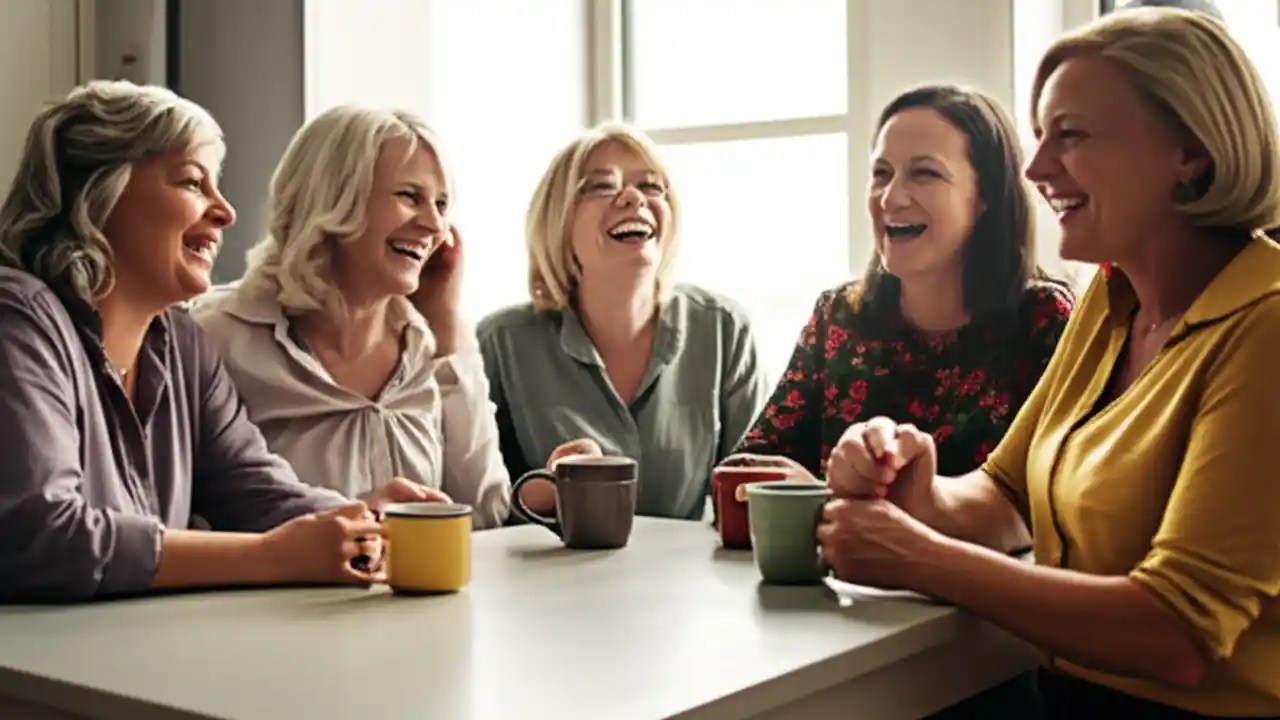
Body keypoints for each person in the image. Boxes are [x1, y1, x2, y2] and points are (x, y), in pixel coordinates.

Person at [818, 8, 1280, 717]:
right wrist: (919, 489)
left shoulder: (1267, 325)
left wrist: (918, 557)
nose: (1034, 169)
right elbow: (1007, 499)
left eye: (1072, 135)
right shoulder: (1110, 297)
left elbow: (1179, 633)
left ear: (1191, 152)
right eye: (1040, 137)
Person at [0, 81, 421, 602]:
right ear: (98, 192)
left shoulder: (181, 341)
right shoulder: (17, 317)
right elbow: (41, 535)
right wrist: (272, 558)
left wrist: (354, 520)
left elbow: (255, 490)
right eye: (193, 183)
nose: (226, 211)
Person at [730, 85, 1073, 483]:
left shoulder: (1042, 320)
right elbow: (741, 476)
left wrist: (829, 498)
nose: (891, 197)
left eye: (924, 173)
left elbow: (1058, 503)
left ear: (986, 196)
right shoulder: (838, 316)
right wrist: (817, 497)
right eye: (881, 174)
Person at [193, 106, 510, 529]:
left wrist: (449, 330)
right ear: (333, 198)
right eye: (409, 196)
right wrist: (352, 516)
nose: (435, 225)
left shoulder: (427, 345)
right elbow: (195, 520)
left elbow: (485, 512)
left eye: (442, 204)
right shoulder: (216, 336)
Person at [477, 123, 769, 521]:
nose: (633, 197)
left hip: (687, 581)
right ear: (558, 222)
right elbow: (479, 511)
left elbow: (759, 496)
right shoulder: (499, 343)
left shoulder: (724, 330)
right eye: (599, 186)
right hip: (550, 582)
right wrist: (550, 490)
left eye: (651, 186)